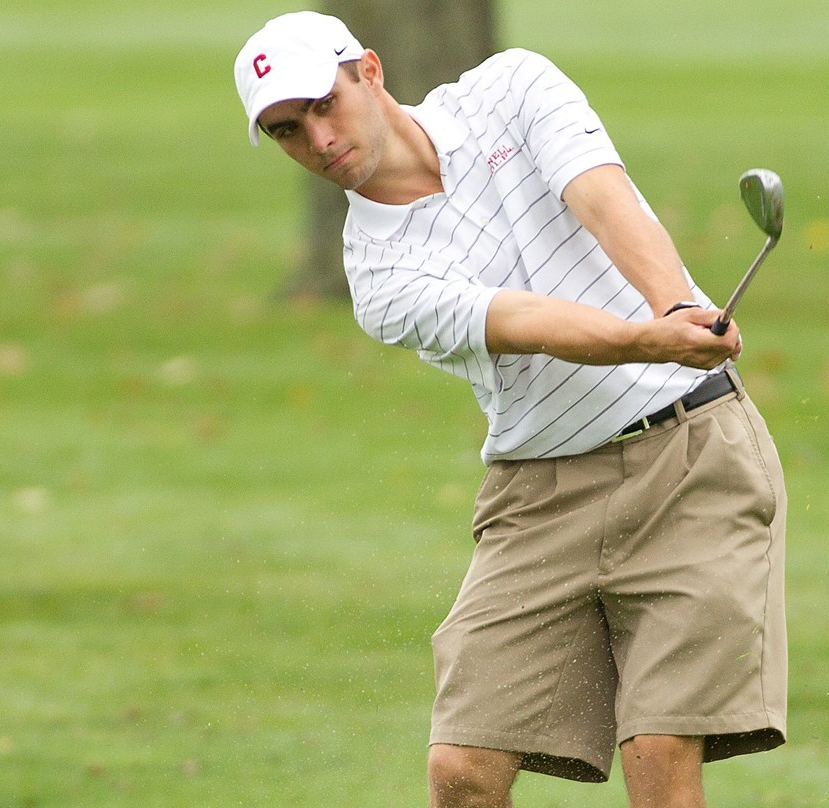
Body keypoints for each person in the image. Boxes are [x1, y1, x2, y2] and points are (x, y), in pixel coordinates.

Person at [233, 12, 788, 808]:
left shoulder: (513, 86)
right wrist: (647, 338)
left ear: (370, 72)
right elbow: (523, 320)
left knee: (660, 748)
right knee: (461, 773)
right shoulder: (378, 273)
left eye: (324, 105)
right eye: (288, 130)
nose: (317, 141)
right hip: (538, 497)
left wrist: (674, 307)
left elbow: (601, 197)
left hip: (690, 457)